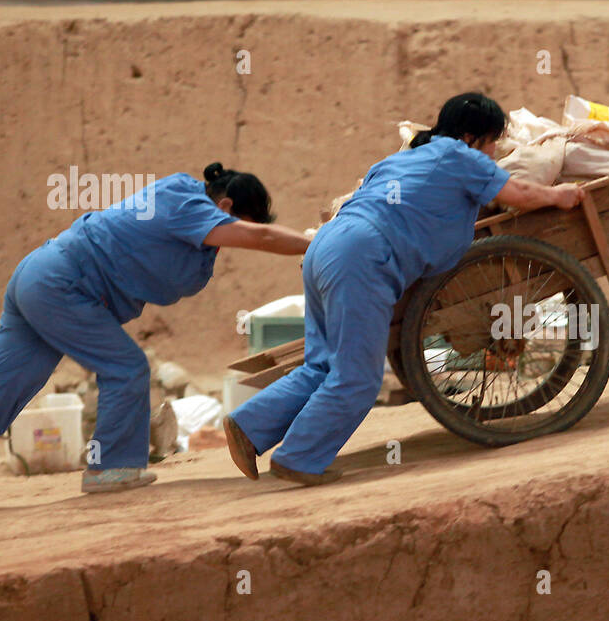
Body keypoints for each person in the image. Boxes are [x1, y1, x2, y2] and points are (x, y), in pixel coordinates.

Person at [223, 92, 584, 486]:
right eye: (492, 140)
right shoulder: (460, 156)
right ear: (472, 135)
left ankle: (250, 426)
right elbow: (521, 195)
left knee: (323, 364)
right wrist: (562, 195)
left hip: (326, 248)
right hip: (363, 256)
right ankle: (300, 457)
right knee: (358, 378)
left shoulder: (397, 160)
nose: (494, 150)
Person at [0, 163, 310, 512]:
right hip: (63, 285)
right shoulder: (188, 204)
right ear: (225, 210)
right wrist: (317, 243)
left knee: (1, 387)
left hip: (42, 278)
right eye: (241, 228)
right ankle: (110, 468)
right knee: (127, 367)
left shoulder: (189, 218)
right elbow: (265, 238)